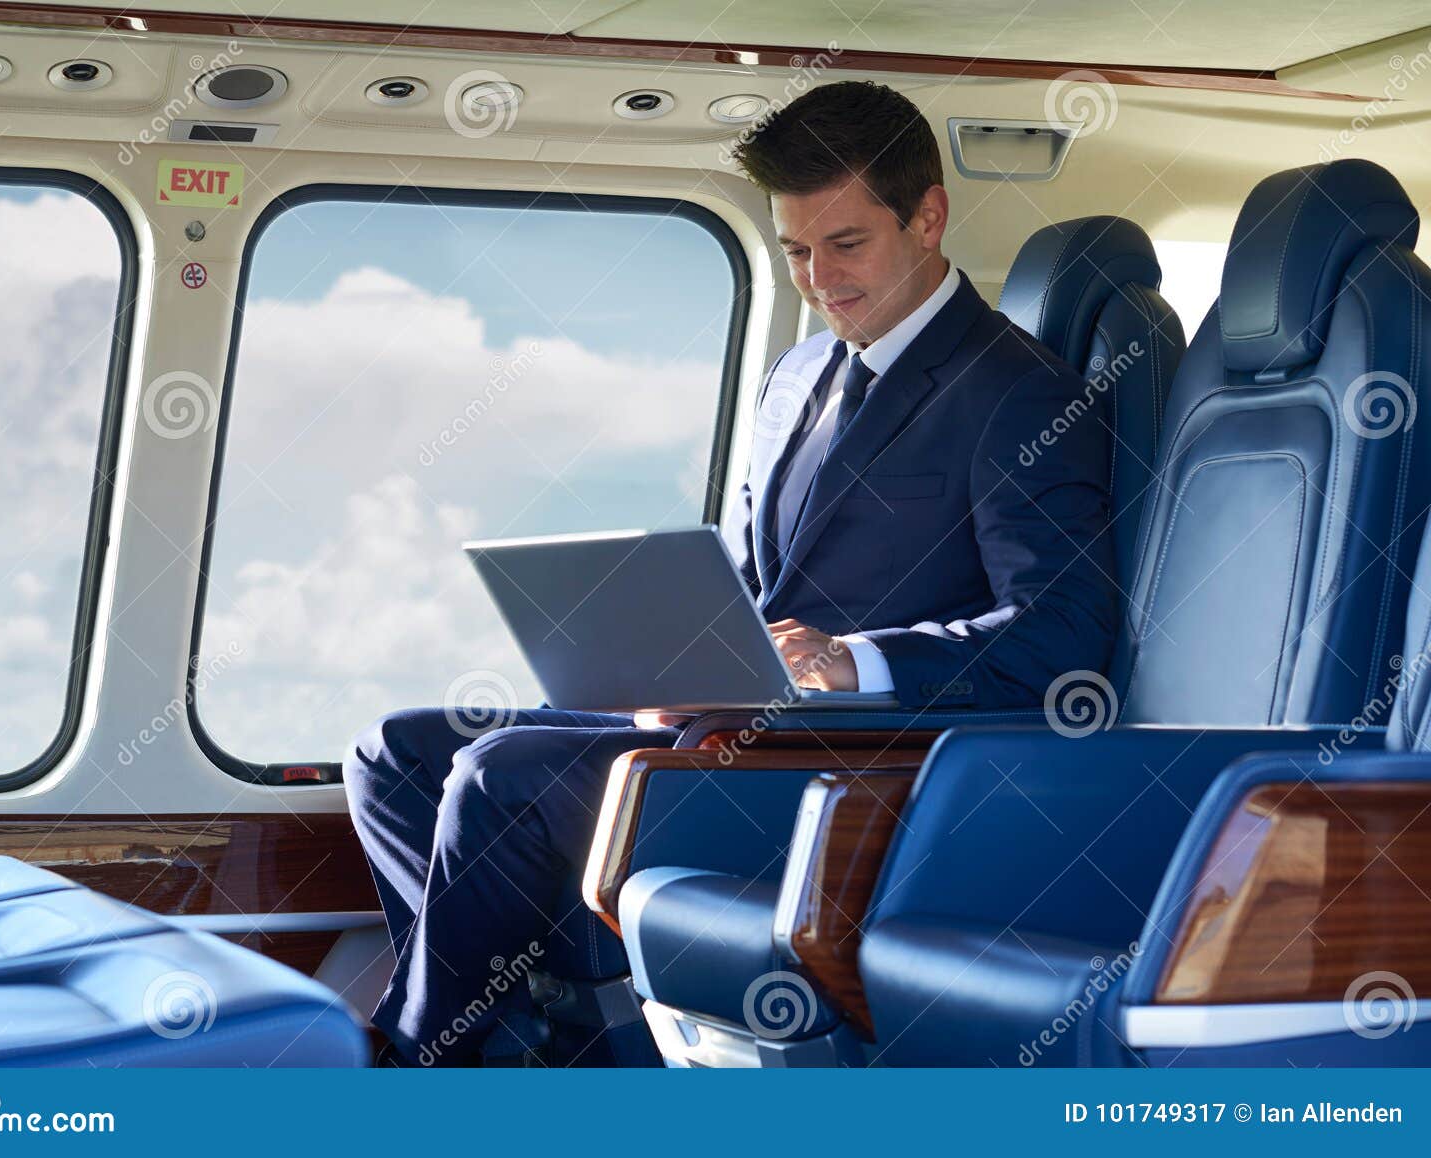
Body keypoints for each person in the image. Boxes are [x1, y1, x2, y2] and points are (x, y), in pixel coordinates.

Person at [344, 80, 1119, 1065]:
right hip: (732, 717)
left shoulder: (1018, 392)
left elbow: (1061, 637)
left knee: (502, 777)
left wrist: (853, 662)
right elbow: (761, 587)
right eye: (795, 250)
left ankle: (414, 1065)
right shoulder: (799, 375)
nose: (818, 279)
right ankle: (517, 1051)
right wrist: (662, 647)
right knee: (393, 753)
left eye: (846, 245)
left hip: (857, 764)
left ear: (926, 218)